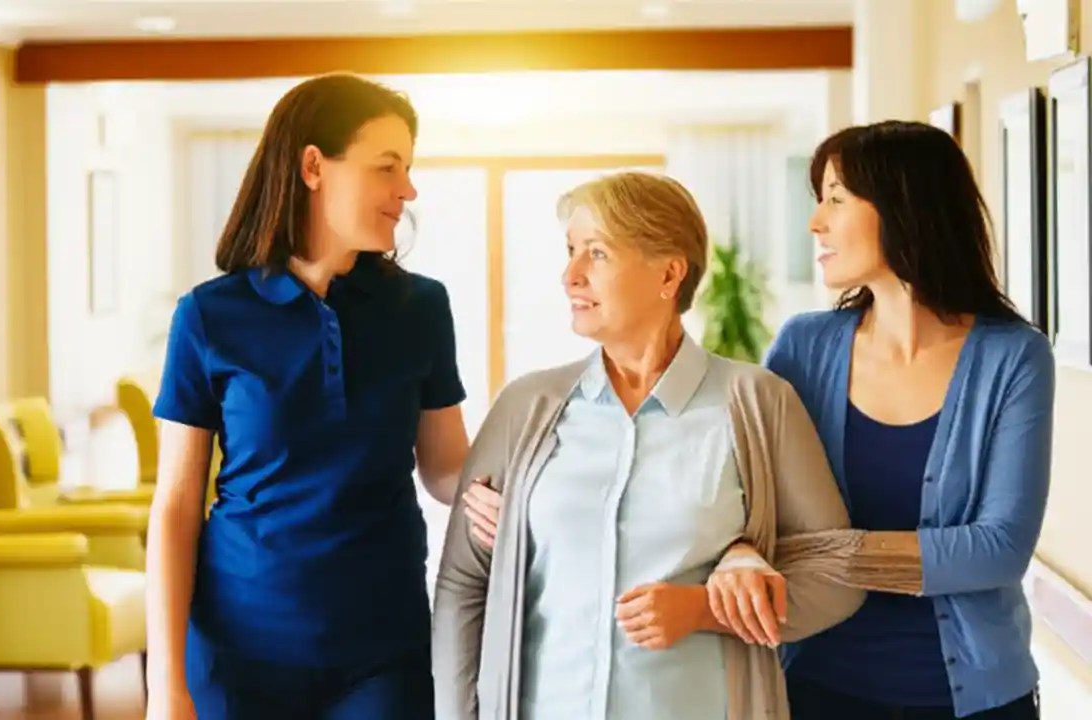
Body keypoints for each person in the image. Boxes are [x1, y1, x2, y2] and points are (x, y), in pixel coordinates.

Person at [433, 171, 874, 720]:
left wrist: (703, 608)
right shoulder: (525, 408)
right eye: (570, 252)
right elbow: (463, 584)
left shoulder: (758, 403)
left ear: (669, 273)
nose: (570, 275)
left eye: (596, 254)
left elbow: (837, 576)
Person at [144, 72, 479, 720]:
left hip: (383, 648)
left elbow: (445, 466)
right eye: (387, 167)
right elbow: (177, 505)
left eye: (408, 168)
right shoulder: (210, 317)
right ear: (312, 166)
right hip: (238, 651)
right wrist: (166, 684)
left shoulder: (420, 307)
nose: (407, 190)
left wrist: (516, 482)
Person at [714, 120, 1053, 720]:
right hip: (817, 690)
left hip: (976, 701)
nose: (816, 222)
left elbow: (999, 549)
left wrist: (831, 557)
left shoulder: (1013, 356)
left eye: (837, 200)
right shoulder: (801, 348)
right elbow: (744, 498)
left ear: (904, 206)